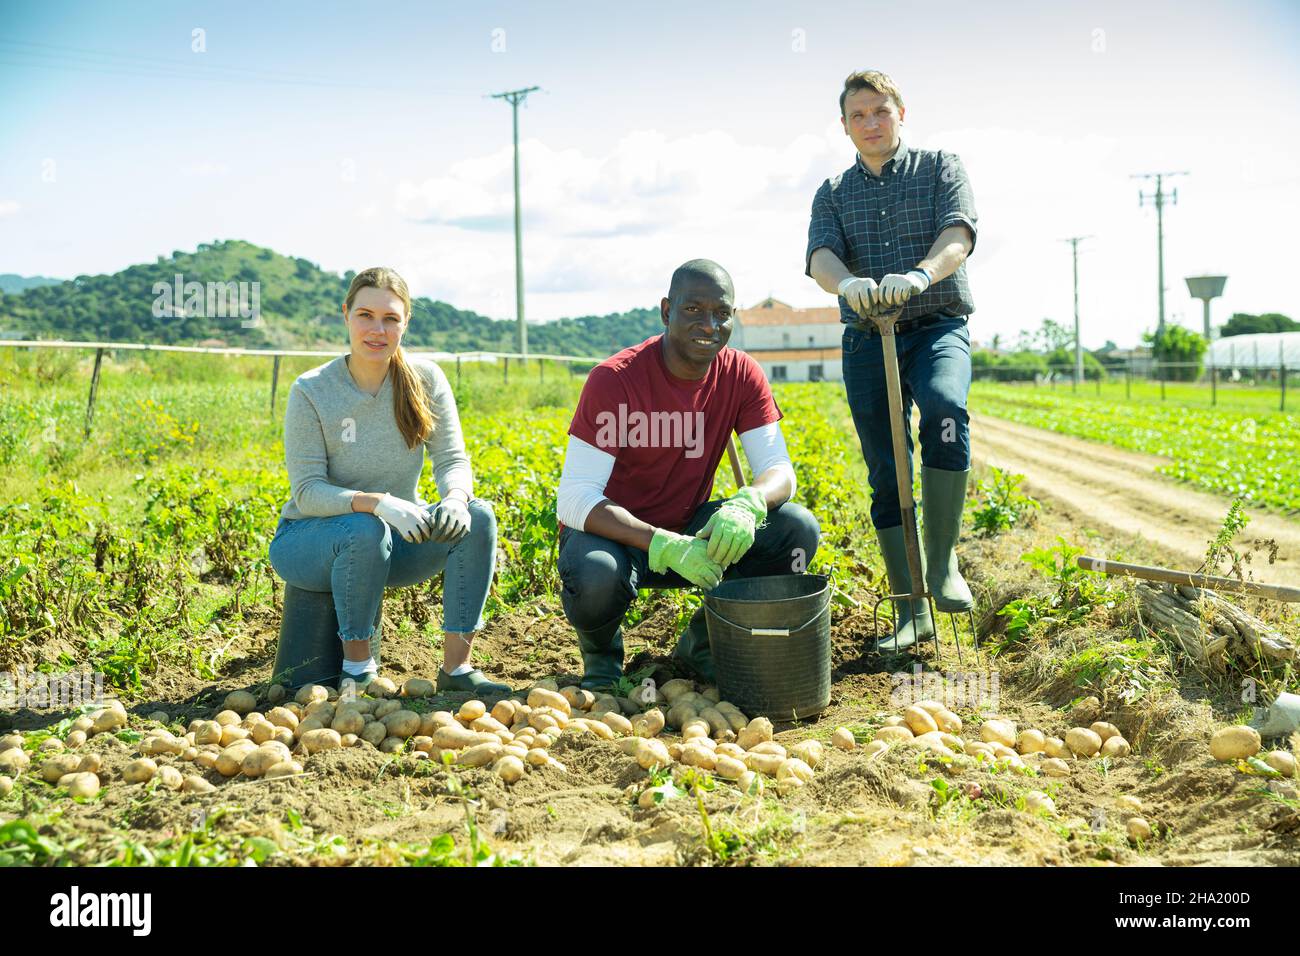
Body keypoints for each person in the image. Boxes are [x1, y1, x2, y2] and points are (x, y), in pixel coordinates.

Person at [556, 259, 821, 690]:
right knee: (596, 574)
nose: (709, 324)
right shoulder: (614, 380)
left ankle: (703, 643)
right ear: (666, 311)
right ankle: (602, 658)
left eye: (722, 313)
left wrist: (748, 502)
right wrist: (660, 543)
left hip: (693, 536)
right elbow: (574, 497)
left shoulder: (740, 373)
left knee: (794, 529)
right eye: (693, 309)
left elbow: (778, 470)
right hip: (615, 537)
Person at [268, 266, 508, 694]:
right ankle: (359, 671)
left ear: (405, 323)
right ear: (346, 315)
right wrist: (377, 502)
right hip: (309, 542)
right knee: (364, 526)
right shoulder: (312, 390)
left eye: (391, 318)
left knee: (478, 516)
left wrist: (454, 496)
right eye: (365, 315)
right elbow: (307, 492)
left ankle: (457, 670)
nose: (377, 329)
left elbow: (452, 458)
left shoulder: (425, 379)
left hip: (394, 540)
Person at [805, 69, 979, 650]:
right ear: (845, 126)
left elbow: (957, 235)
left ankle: (943, 565)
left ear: (900, 113)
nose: (871, 124)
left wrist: (922, 274)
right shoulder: (832, 192)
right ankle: (911, 609)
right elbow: (821, 255)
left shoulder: (939, 168)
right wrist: (847, 283)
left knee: (946, 411)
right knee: (886, 466)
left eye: (880, 111)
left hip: (934, 325)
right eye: (859, 115)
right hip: (865, 336)